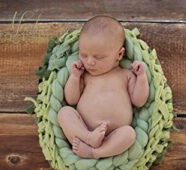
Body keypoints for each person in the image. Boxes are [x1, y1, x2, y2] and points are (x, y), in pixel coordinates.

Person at [57, 15, 149, 159]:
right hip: (83, 129)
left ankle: (95, 153)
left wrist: (142, 77)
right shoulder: (85, 75)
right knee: (64, 112)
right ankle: (88, 138)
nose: (89, 62)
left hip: (115, 134)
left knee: (129, 134)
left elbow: (139, 101)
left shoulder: (126, 75)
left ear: (119, 54)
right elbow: (71, 100)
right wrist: (74, 77)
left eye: (98, 57)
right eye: (84, 55)